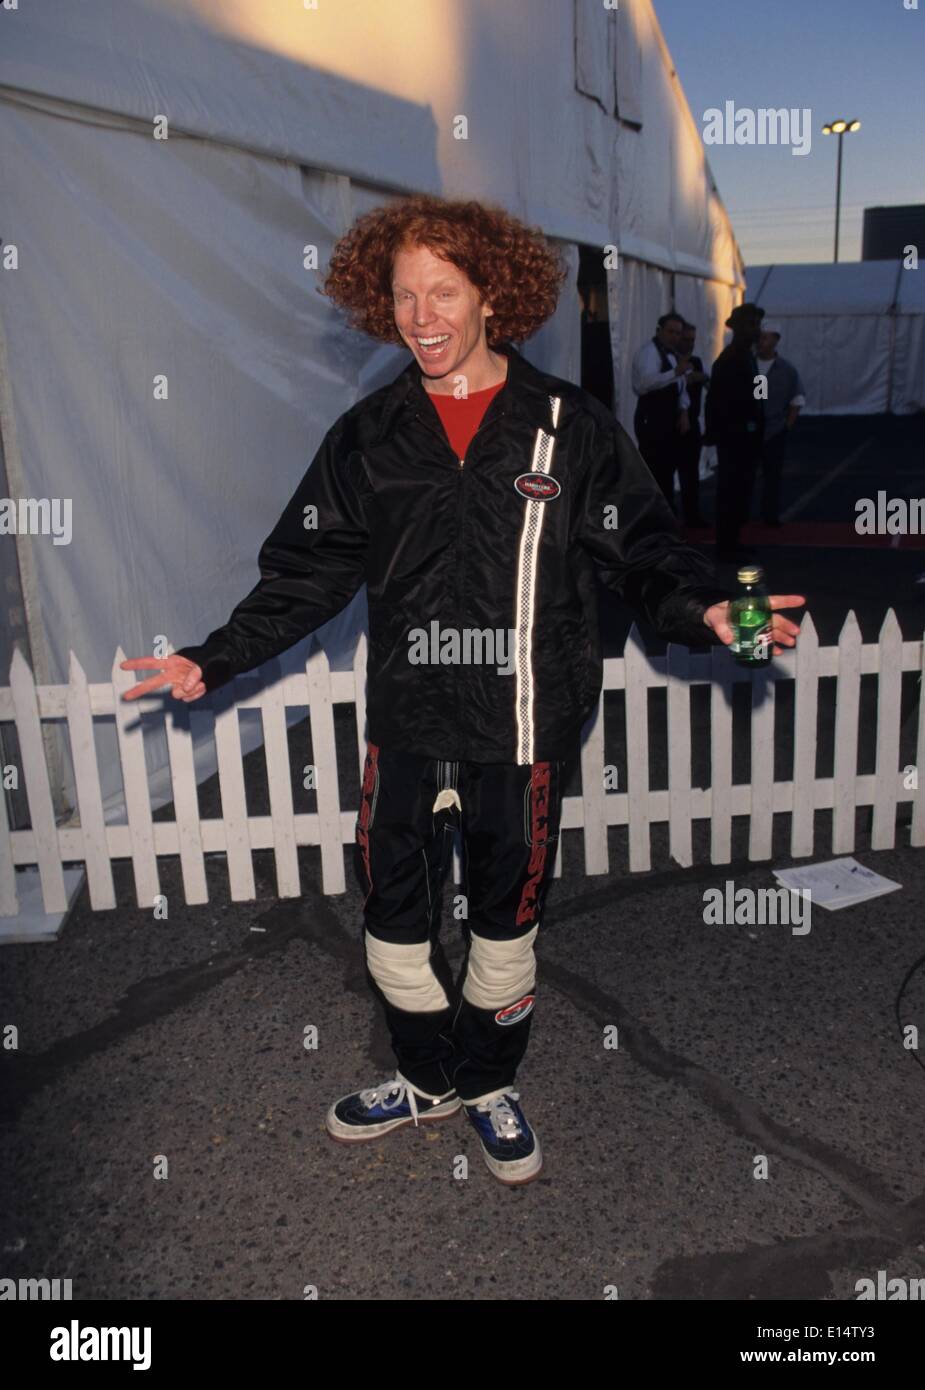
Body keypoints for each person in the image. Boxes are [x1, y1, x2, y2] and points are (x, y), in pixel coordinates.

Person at [120, 196, 804, 1185]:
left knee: (502, 933)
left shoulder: (568, 426)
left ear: (491, 294)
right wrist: (214, 656)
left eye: (442, 291)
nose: (421, 315)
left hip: (521, 730)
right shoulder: (370, 434)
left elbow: (646, 552)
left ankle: (486, 1082)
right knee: (393, 933)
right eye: (402, 295)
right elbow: (304, 573)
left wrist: (706, 610)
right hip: (407, 724)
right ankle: (423, 1077)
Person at [705, 302, 766, 562]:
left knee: (741, 489)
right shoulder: (729, 359)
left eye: (757, 324)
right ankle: (726, 544)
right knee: (731, 489)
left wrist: (759, 420)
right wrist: (719, 431)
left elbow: (756, 394)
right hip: (734, 436)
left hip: (746, 435)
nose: (756, 330)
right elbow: (716, 400)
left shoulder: (747, 357)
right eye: (751, 324)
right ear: (739, 328)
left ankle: (733, 540)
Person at [631, 313, 691, 513]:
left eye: (678, 333)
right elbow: (644, 384)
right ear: (659, 331)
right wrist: (674, 373)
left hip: (669, 420)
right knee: (654, 468)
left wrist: (683, 411)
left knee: (667, 468)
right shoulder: (648, 353)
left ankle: (666, 513)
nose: (675, 337)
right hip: (652, 418)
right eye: (670, 332)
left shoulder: (672, 355)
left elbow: (680, 386)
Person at [754, 321, 806, 526]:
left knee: (772, 476)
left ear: (776, 340)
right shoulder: (748, 364)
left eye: (765, 337)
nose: (761, 342)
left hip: (774, 430)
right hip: (749, 430)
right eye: (760, 337)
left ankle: (769, 515)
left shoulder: (786, 370)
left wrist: (786, 426)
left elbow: (797, 399)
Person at [676, 321, 710, 527]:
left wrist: (701, 377)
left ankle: (692, 514)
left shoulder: (696, 362)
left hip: (692, 424)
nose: (690, 344)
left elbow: (709, 382)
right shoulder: (669, 361)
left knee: (691, 473)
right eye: (686, 339)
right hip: (671, 425)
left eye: (692, 340)